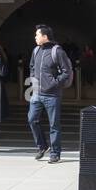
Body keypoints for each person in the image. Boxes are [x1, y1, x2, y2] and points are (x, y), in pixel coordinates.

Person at [27, 24, 72, 163]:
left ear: (44, 37)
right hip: (36, 93)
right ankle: (42, 146)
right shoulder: (36, 50)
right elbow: (32, 67)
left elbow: (67, 71)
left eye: (37, 35)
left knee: (54, 125)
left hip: (52, 95)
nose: (35, 37)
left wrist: (54, 83)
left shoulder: (57, 51)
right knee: (32, 119)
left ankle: (55, 153)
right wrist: (34, 81)